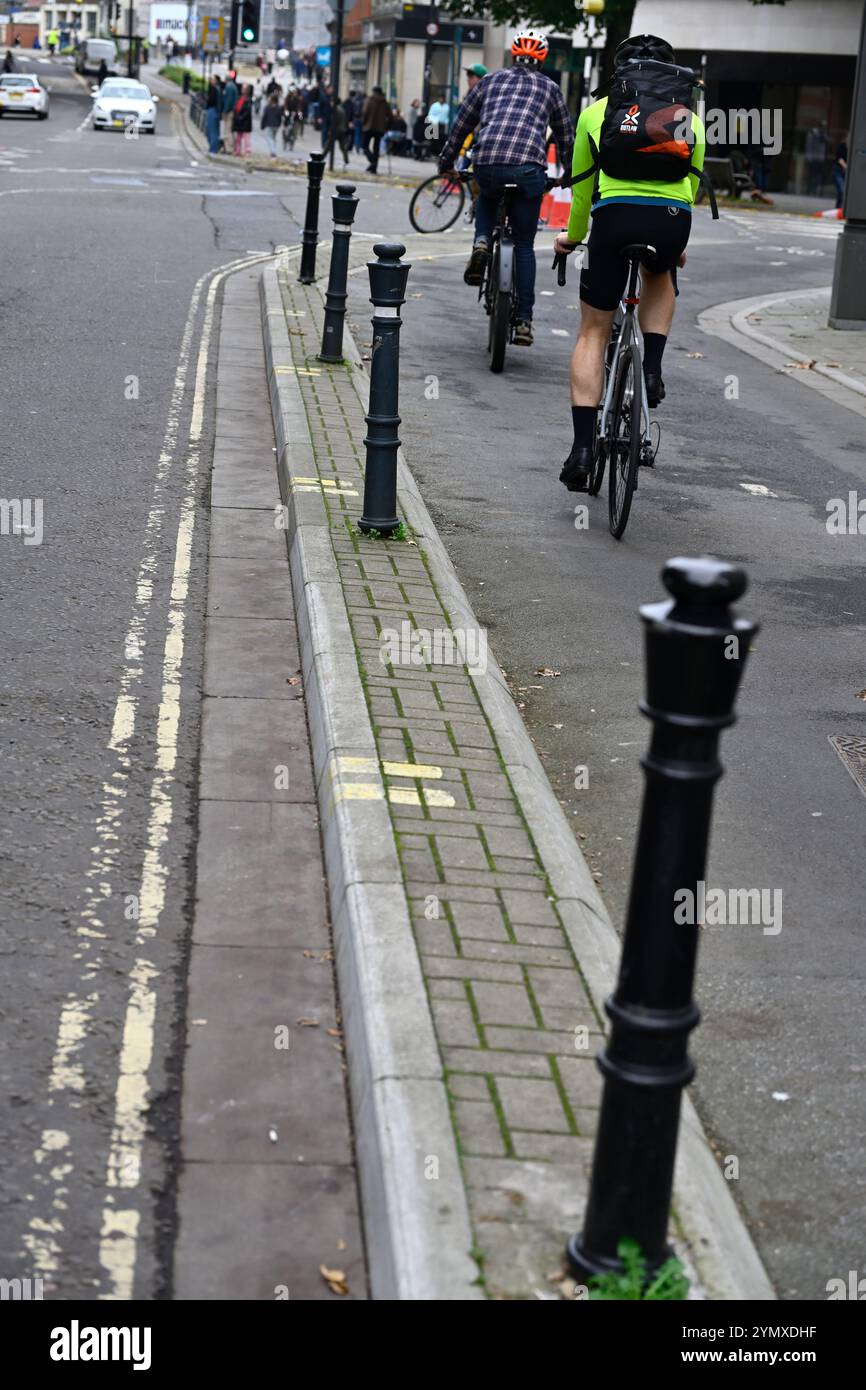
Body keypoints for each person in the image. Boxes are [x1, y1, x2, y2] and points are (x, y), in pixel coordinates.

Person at [552, 33, 705, 493]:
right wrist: (675, 240)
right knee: (662, 273)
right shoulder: (688, 117)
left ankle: (581, 450)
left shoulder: (596, 113)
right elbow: (692, 183)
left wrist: (572, 237)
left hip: (614, 220)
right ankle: (652, 370)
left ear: (618, 73)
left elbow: (582, 189)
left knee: (593, 330)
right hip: (670, 222)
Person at [438, 31, 573, 349]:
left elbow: (462, 124)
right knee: (524, 245)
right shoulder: (550, 88)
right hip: (528, 170)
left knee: (487, 194)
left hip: (486, 161)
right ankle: (524, 321)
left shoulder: (489, 82)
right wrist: (568, 174)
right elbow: (566, 136)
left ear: (513, 55)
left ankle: (482, 241)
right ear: (542, 59)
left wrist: (445, 162)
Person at [362, 85, 390, 173]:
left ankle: (372, 161)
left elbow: (365, 113)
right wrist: (387, 126)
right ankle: (374, 168)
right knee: (376, 148)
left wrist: (364, 122)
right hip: (380, 129)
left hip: (369, 127)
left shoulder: (369, 100)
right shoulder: (384, 102)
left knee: (364, 146)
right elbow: (390, 116)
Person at [804, 124, 828, 197]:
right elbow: (808, 146)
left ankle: (814, 190)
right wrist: (809, 157)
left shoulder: (823, 135)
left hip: (820, 158)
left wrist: (823, 136)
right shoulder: (812, 134)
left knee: (818, 175)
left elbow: (829, 140)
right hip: (813, 158)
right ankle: (809, 190)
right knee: (811, 175)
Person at [233, 83, 253, 156]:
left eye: (244, 89)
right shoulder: (239, 98)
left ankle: (247, 151)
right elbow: (236, 107)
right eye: (242, 89)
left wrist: (241, 117)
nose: (243, 90)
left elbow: (248, 111)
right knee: (238, 137)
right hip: (238, 120)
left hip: (245, 121)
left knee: (246, 137)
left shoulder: (248, 100)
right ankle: (237, 151)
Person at [261, 89, 282, 158]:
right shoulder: (278, 107)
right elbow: (280, 117)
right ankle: (273, 151)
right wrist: (279, 124)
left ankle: (273, 152)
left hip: (269, 124)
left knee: (270, 139)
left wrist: (262, 125)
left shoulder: (267, 107)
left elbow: (264, 117)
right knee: (273, 138)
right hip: (276, 125)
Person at [205, 73, 221, 153]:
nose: (211, 81)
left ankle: (214, 148)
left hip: (213, 110)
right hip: (213, 110)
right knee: (210, 130)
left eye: (213, 79)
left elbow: (212, 100)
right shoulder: (215, 89)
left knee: (213, 131)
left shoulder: (215, 90)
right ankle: (213, 147)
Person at [222, 69, 238, 146]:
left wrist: (225, 111)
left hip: (229, 111)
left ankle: (228, 146)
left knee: (227, 129)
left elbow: (228, 100)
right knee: (229, 129)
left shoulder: (229, 87)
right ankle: (230, 146)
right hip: (232, 110)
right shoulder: (232, 86)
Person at [834, 137, 848, 209]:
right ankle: (838, 208)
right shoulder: (842, 146)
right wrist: (846, 167)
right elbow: (840, 159)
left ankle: (841, 208)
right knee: (841, 190)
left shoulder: (852, 148)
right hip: (839, 171)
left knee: (845, 191)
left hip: (846, 173)